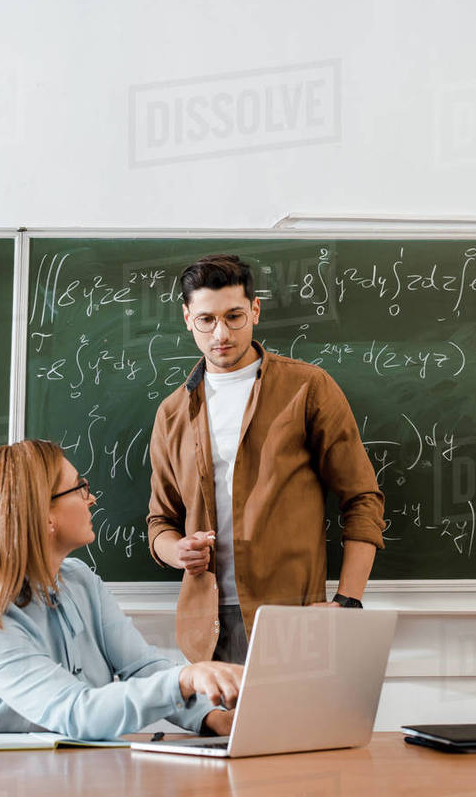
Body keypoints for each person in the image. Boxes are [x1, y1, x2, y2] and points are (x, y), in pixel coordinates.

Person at [147, 254, 386, 664]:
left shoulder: (307, 388)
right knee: (217, 730)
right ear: (188, 319)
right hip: (206, 628)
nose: (221, 333)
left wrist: (348, 603)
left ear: (255, 310)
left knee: (302, 731)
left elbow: (362, 498)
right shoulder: (172, 413)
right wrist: (177, 551)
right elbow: (160, 524)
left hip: (294, 618)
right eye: (206, 320)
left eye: (234, 316)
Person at [0, 440, 241, 740]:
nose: (91, 498)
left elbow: (141, 666)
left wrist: (213, 717)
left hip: (80, 771)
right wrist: (183, 679)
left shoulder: (79, 580)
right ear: (45, 515)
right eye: (79, 488)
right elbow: (77, 712)